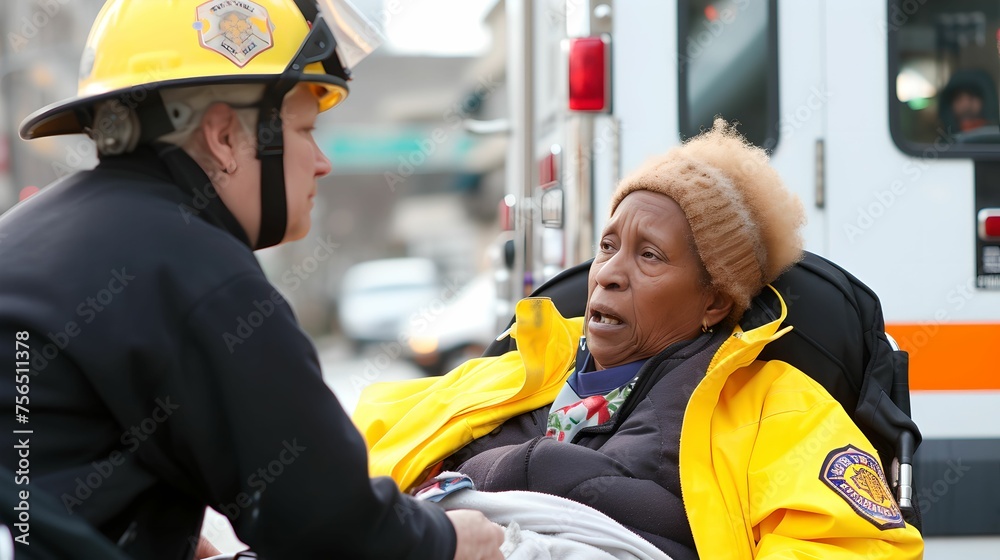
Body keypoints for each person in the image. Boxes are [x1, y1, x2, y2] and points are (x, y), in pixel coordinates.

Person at [0, 1, 502, 559]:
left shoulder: (36, 234)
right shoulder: (192, 265)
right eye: (306, 129)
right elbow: (330, 527)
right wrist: (451, 540)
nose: (321, 161)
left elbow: (54, 461)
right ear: (222, 136)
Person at [354, 119, 924, 558]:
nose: (607, 273)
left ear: (714, 300)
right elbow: (349, 473)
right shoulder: (513, 369)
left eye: (648, 255)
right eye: (607, 246)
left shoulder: (777, 409)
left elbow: (851, 545)